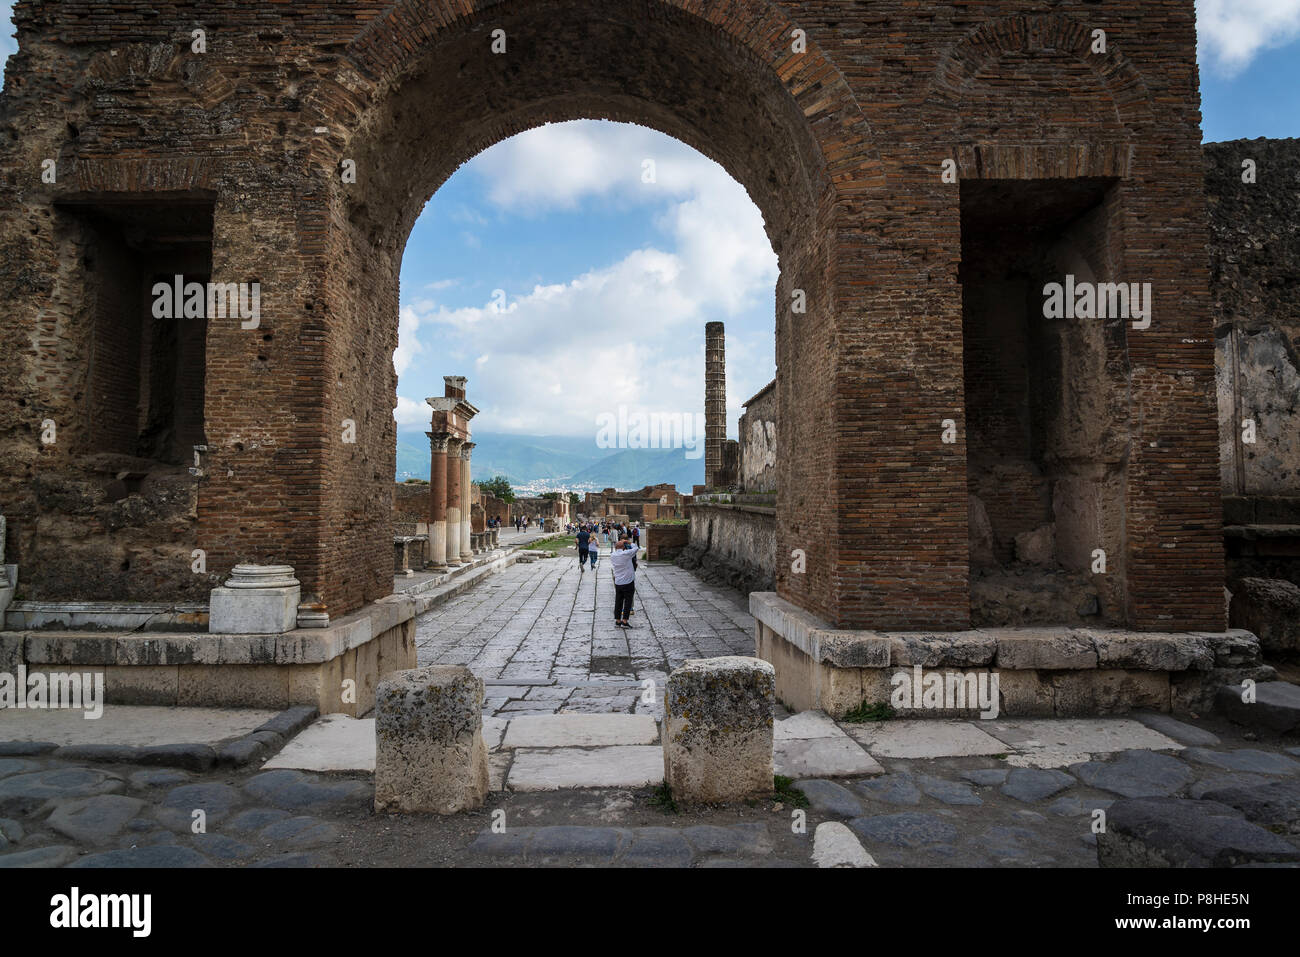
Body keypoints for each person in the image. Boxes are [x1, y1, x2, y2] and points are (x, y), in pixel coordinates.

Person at [609, 536, 639, 628]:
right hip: (628, 581)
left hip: (618, 581)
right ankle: (625, 621)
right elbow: (636, 548)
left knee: (618, 601)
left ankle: (618, 620)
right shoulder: (626, 554)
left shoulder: (612, 555)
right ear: (624, 547)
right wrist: (628, 542)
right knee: (628, 601)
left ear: (615, 547)